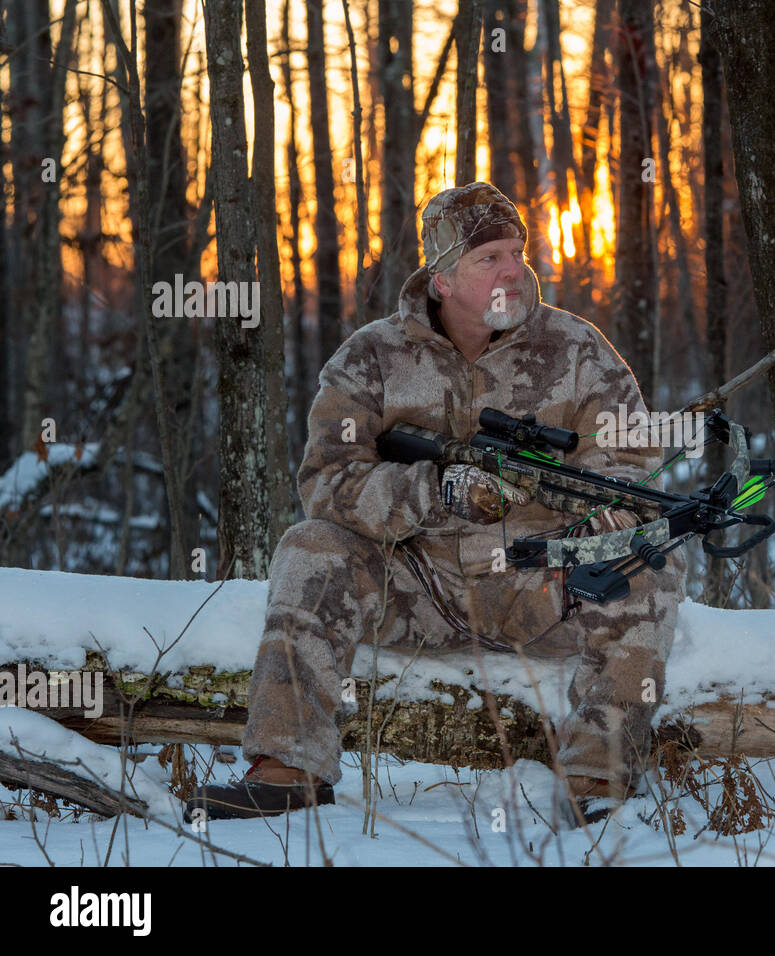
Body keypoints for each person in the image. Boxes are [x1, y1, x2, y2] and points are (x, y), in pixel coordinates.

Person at [183, 182, 684, 828]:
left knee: (647, 565)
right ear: (442, 280)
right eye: (489, 259)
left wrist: (598, 522)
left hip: (543, 587)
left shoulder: (579, 351)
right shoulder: (371, 359)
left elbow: (629, 465)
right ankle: (287, 769)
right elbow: (326, 482)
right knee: (309, 548)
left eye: (515, 251)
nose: (513, 269)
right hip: (415, 585)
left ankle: (595, 783)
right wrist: (431, 490)